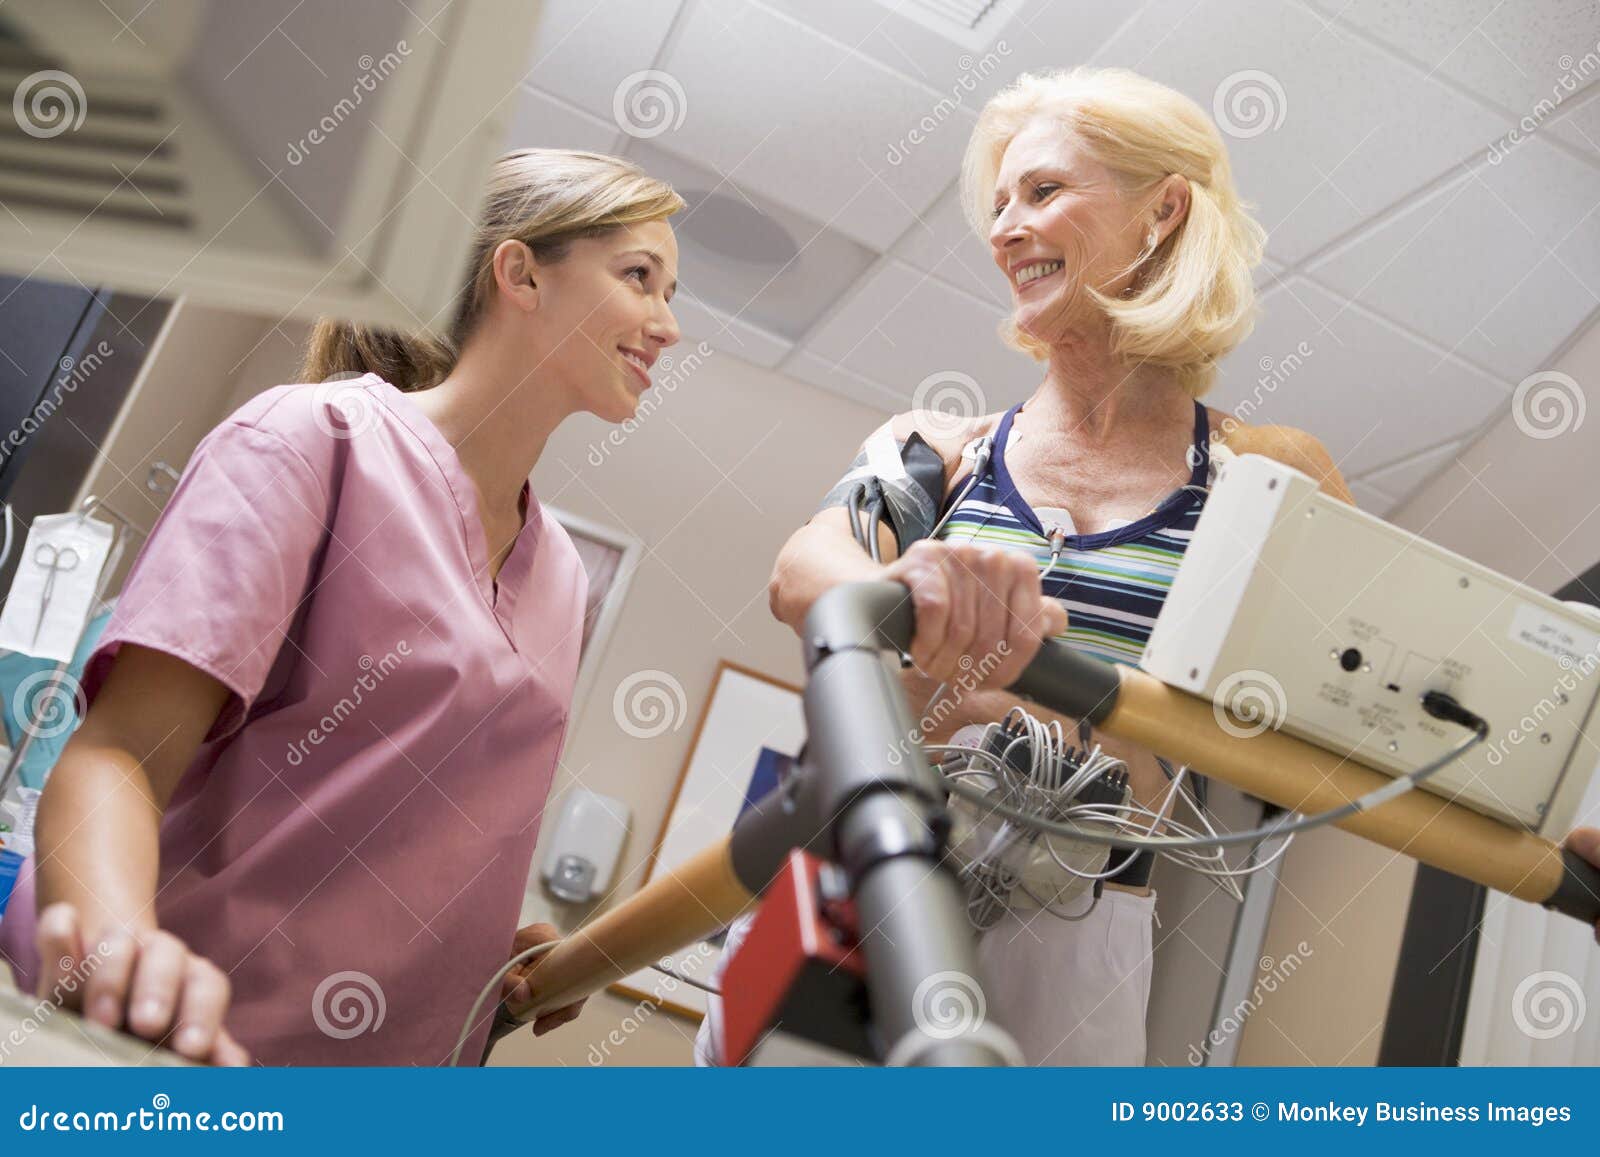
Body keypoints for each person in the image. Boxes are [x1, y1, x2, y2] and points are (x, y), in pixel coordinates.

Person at [0, 149, 682, 1066]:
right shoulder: (310, 445)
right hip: (183, 1051)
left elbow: (393, 820)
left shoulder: (558, 572)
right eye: (641, 277)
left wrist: (470, 946)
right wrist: (121, 950)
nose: (668, 325)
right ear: (519, 273)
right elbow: (118, 753)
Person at [766, 67, 1357, 1066]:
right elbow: (801, 570)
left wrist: (1552, 851)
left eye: (1041, 192)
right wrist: (921, 592)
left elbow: (1381, 696)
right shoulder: (937, 448)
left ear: (1163, 211)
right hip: (867, 877)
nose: (1003, 228)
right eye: (997, 205)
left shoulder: (1263, 475)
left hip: (1076, 928)